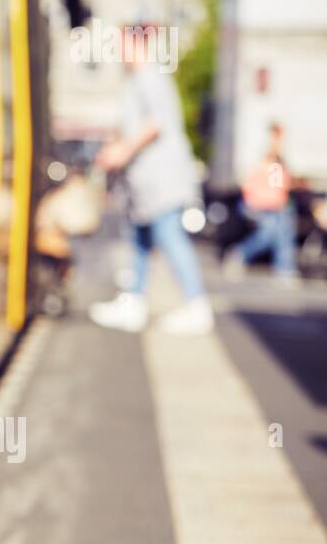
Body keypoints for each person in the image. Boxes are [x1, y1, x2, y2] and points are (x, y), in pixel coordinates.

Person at [89, 27, 214, 334]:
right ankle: (134, 302)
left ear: (136, 42)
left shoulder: (150, 76)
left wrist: (121, 151)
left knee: (170, 237)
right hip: (146, 184)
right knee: (141, 240)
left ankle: (197, 305)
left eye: (119, 44)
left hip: (162, 180)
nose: (117, 52)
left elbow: (154, 124)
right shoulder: (137, 80)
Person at [223, 122, 299, 283]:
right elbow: (268, 190)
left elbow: (277, 190)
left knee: (280, 232)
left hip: (270, 206)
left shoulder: (275, 164)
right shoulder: (268, 164)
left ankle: (283, 267)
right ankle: (241, 254)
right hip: (258, 205)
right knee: (272, 232)